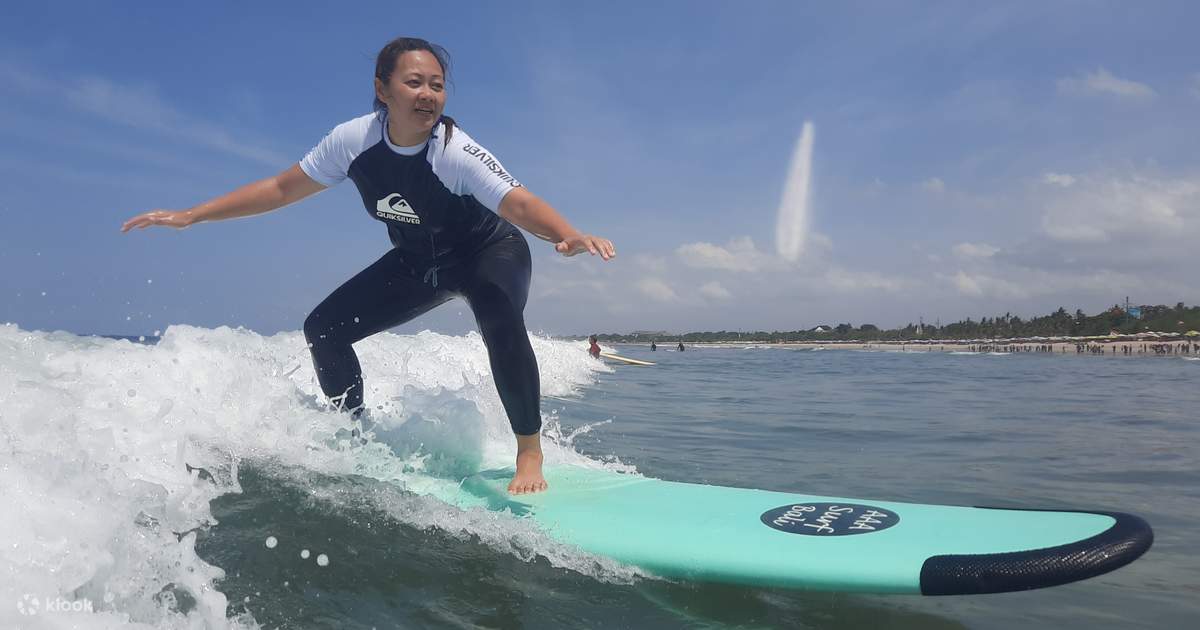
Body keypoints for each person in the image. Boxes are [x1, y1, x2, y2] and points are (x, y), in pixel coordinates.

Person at [121, 37, 615, 495]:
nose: (428, 94)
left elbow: (518, 203)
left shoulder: (453, 152)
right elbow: (280, 189)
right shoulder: (353, 142)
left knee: (498, 312)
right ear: (382, 89)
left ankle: (529, 452)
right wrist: (193, 215)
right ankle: (357, 437)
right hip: (419, 262)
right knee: (324, 329)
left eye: (437, 85)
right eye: (414, 82)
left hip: (489, 251)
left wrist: (566, 234)